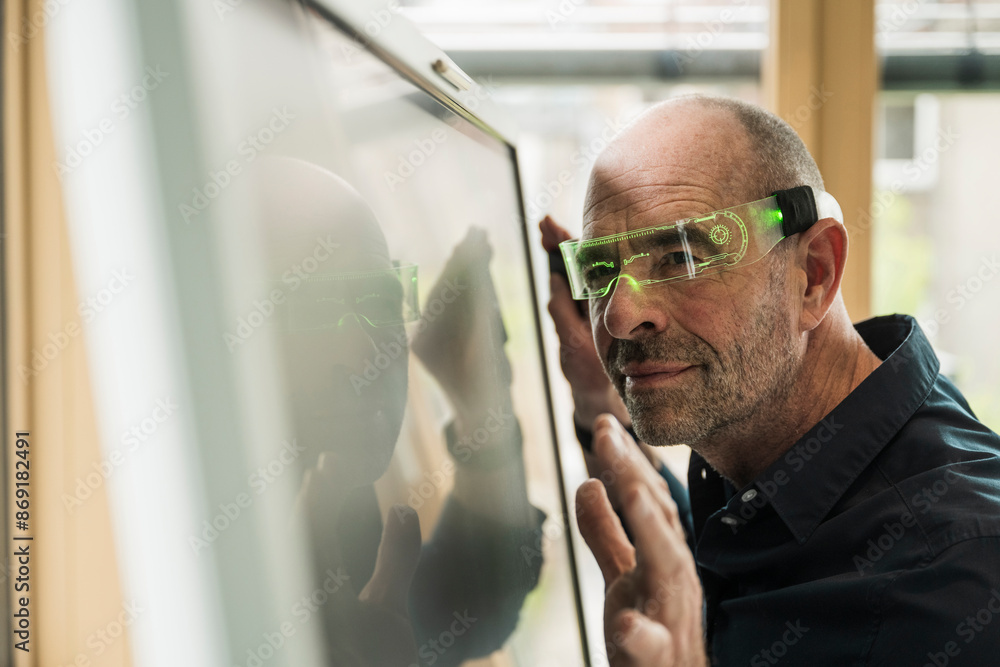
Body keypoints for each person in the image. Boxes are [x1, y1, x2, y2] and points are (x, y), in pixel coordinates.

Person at [541, 95, 1000, 666]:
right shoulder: (776, 452)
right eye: (602, 269)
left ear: (814, 274)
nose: (618, 316)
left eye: (683, 255)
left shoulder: (962, 584)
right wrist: (594, 398)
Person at [249, 156, 543, 666]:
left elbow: (466, 605)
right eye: (315, 311)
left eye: (380, 300)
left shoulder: (334, 503)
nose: (368, 354)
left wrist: (480, 405)